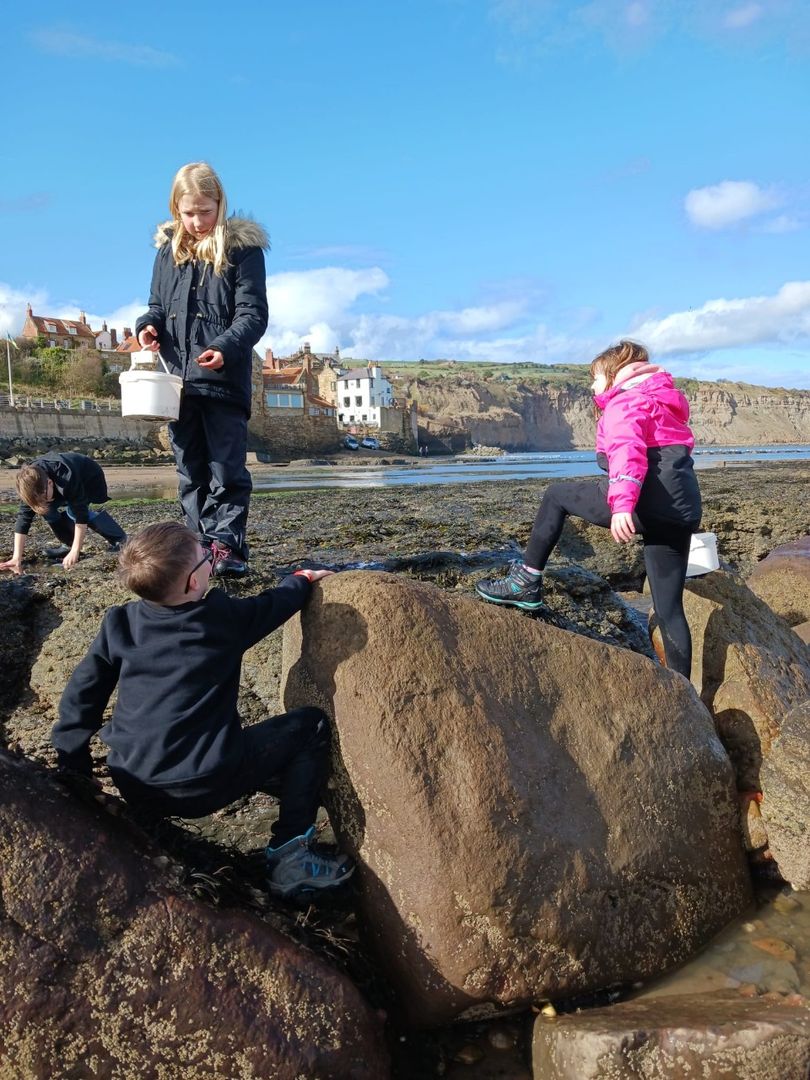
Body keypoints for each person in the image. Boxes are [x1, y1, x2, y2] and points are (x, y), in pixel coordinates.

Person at [52, 521, 354, 898]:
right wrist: (302, 578)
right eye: (207, 557)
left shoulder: (120, 623)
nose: (213, 557)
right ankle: (290, 855)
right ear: (194, 583)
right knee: (310, 727)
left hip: (134, 782)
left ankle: (153, 830)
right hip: (205, 784)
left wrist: (74, 767)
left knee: (212, 744)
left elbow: (83, 695)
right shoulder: (220, 619)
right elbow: (276, 604)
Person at [475, 341, 702, 678]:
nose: (592, 386)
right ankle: (686, 693)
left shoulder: (624, 402)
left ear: (613, 376)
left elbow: (628, 452)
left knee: (556, 496)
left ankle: (525, 581)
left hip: (643, 499)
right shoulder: (663, 399)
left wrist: (623, 505)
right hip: (681, 509)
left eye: (595, 378)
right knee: (669, 608)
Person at [135, 162, 269, 576]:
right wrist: (147, 328)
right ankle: (196, 546)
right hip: (177, 384)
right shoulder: (167, 251)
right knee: (189, 470)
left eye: (205, 211)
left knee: (225, 469)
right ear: (176, 208)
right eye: (188, 212)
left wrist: (224, 348)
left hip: (224, 382)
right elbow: (156, 306)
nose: (196, 222)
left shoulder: (242, 250)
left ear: (219, 203)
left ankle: (227, 548)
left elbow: (253, 315)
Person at [0, 452, 127, 573]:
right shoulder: (30, 487)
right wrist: (17, 557)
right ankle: (68, 544)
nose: (42, 502)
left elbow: (80, 515)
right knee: (46, 510)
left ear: (49, 483)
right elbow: (23, 521)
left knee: (73, 512)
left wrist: (75, 551)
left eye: (43, 498)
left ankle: (120, 540)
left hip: (87, 476)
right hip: (57, 485)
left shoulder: (66, 476)